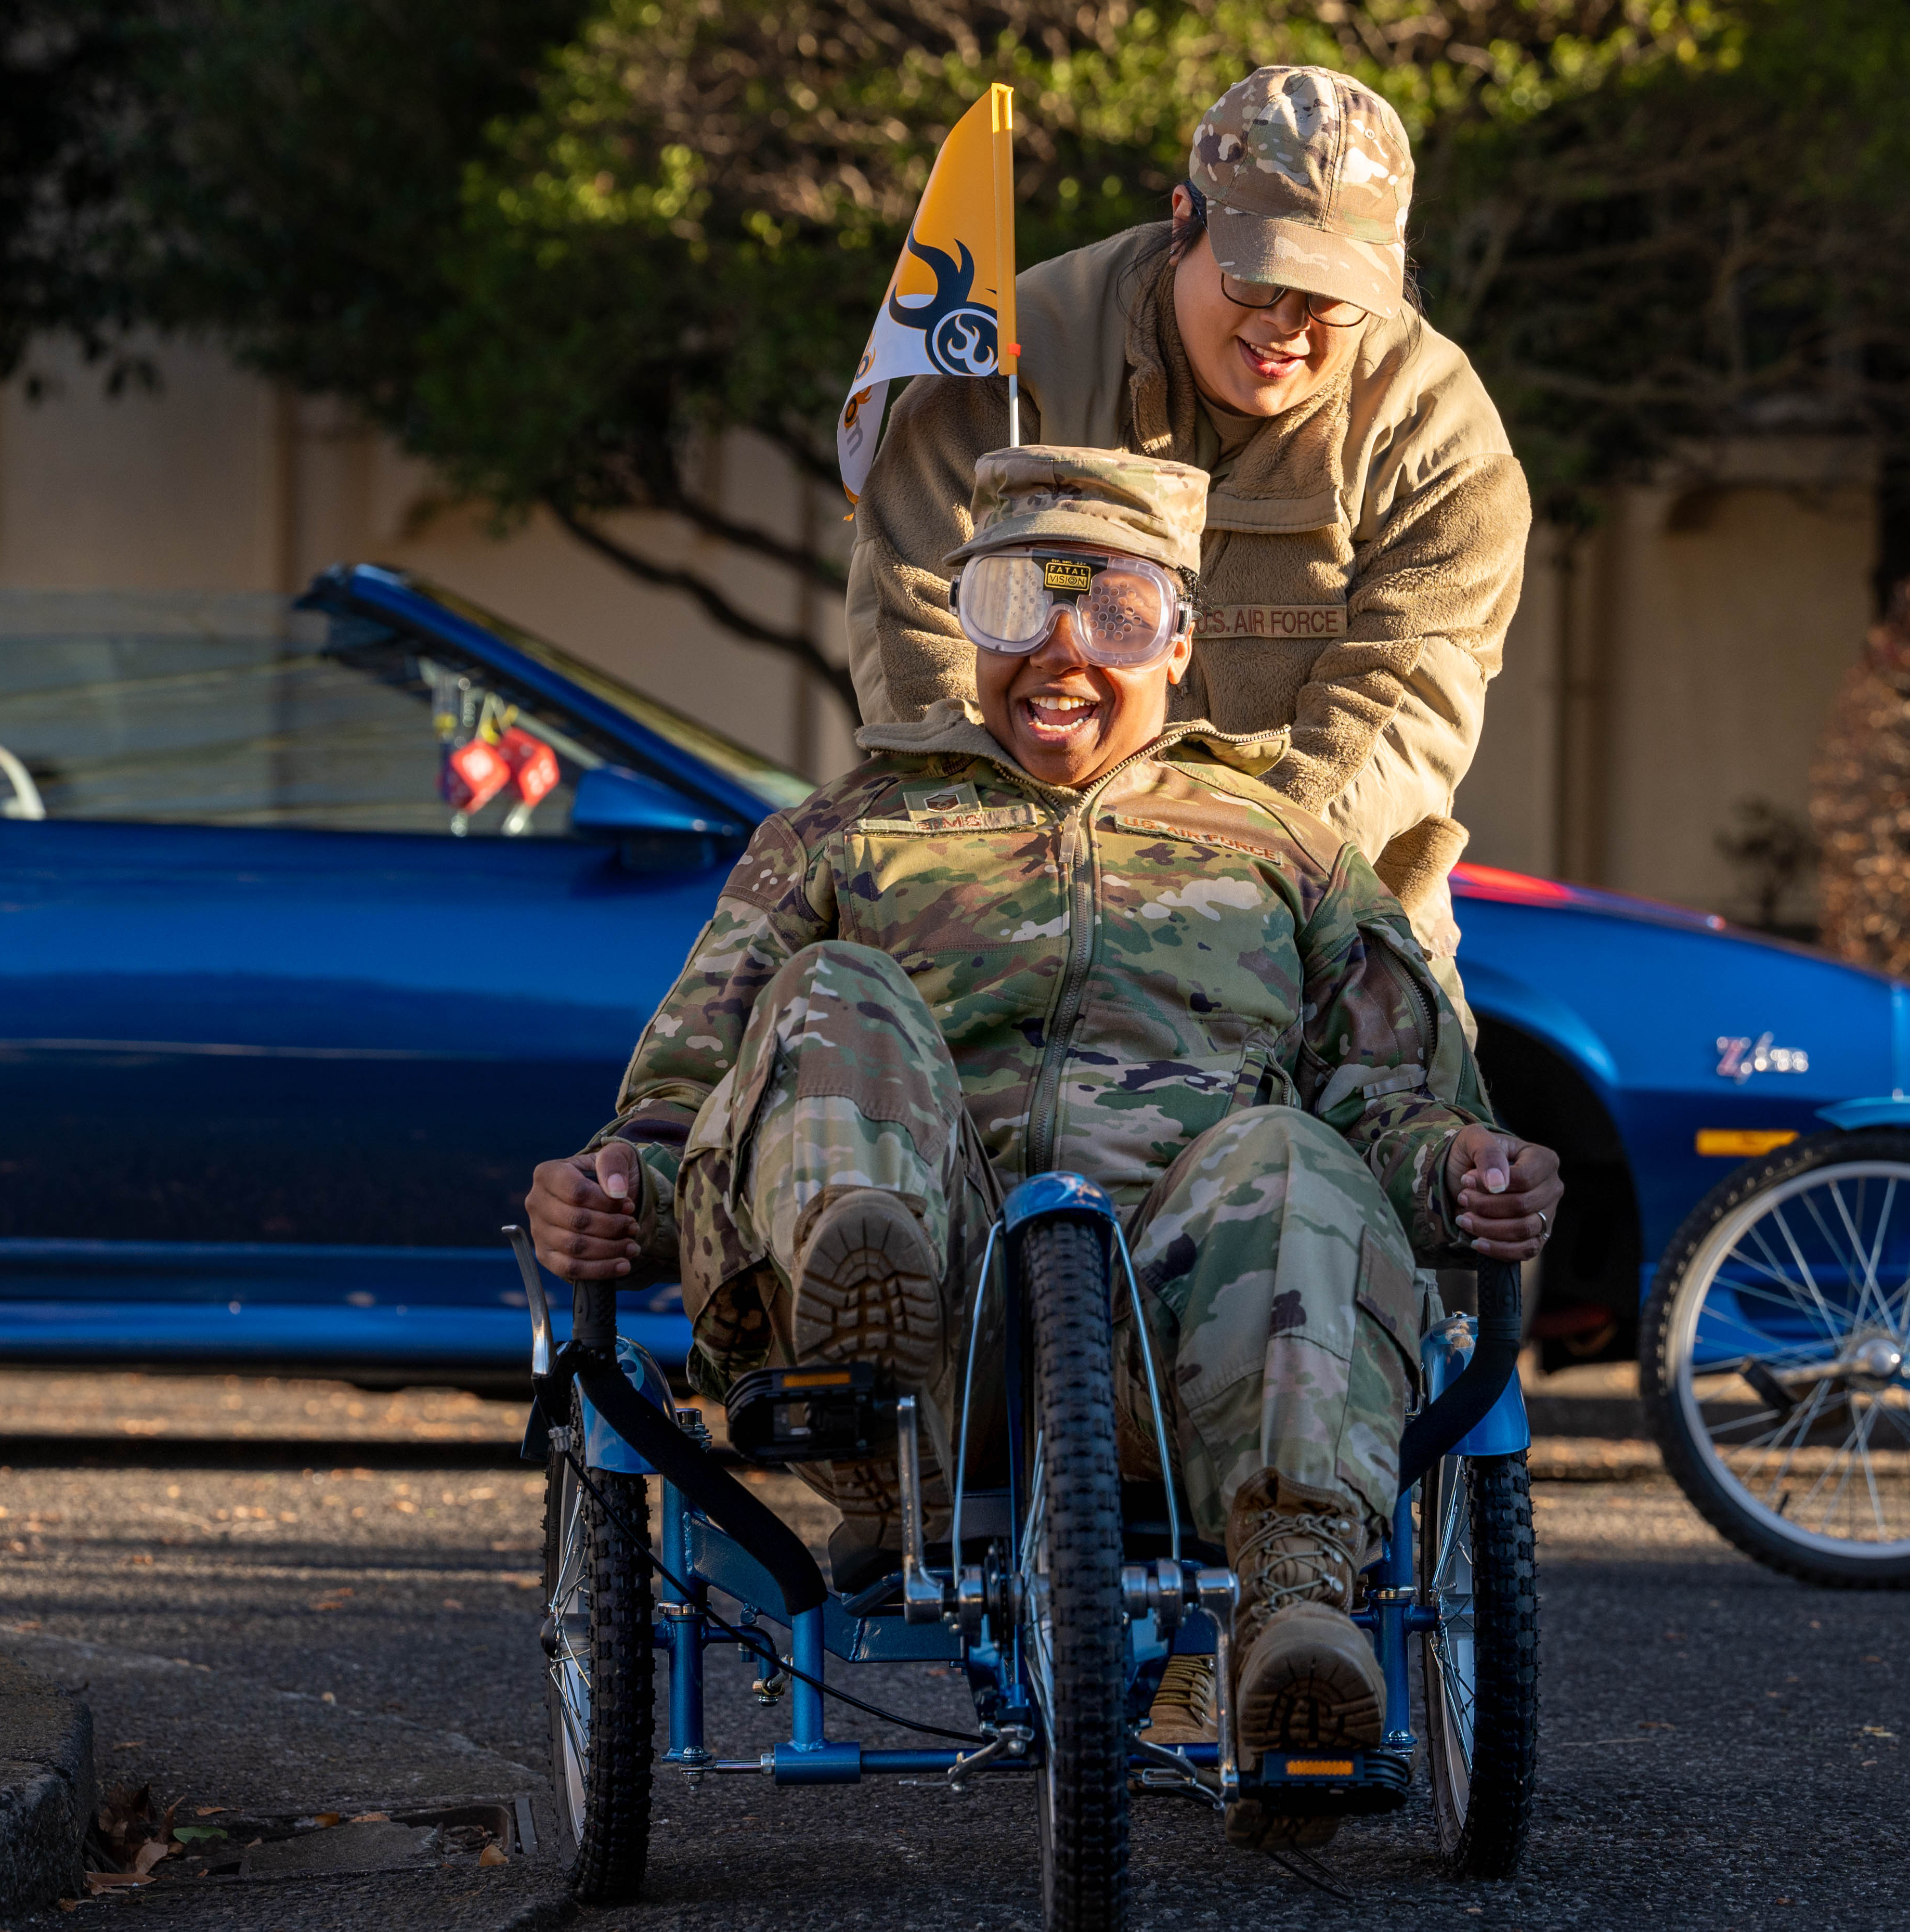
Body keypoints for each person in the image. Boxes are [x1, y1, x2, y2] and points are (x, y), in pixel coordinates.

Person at [527, 446, 1559, 1829]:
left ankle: (1300, 1612)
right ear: (967, 625)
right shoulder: (845, 837)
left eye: (1117, 612)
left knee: (1293, 1148)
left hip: (1176, 1353)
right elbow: (692, 1088)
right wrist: (613, 1187)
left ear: (1181, 639)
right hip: (910, 1362)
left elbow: (1387, 1096)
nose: (1062, 651)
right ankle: (861, 1322)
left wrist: (1466, 1167)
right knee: (835, 991)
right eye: (1020, 601)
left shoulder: (1287, 848)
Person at [848, 64, 1530, 990]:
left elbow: (1398, 709)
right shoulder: (1009, 355)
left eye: (1334, 297)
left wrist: (1213, 888)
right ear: (1183, 221)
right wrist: (1026, 872)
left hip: (1320, 921)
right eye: (1259, 279)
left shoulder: (1442, 438)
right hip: (1015, 916)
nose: (1289, 326)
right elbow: (919, 626)